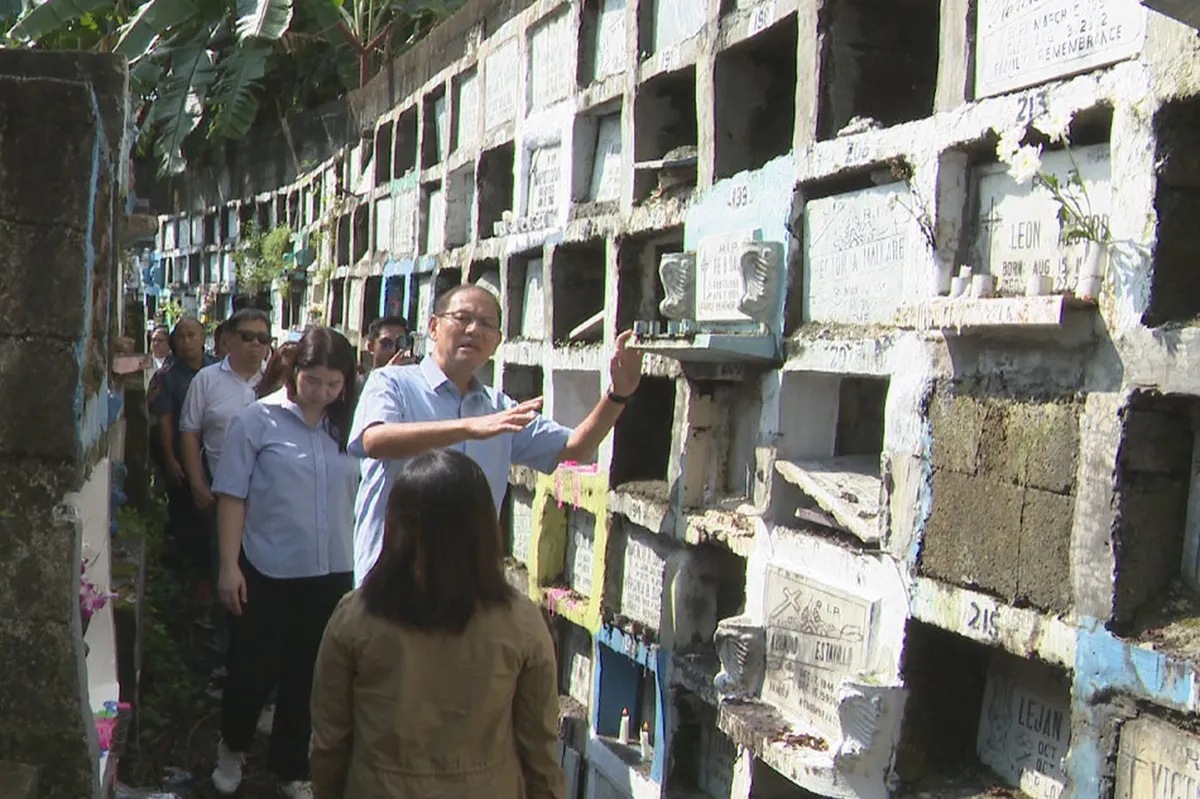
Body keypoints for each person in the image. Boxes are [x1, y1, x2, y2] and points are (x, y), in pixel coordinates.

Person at [310, 449, 564, 799]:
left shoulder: (356, 617)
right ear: (486, 529)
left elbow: (329, 741)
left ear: (396, 528)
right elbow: (540, 744)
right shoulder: (521, 622)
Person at [348, 284, 643, 585]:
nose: (474, 330)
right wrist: (470, 428)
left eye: (487, 324)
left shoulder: (499, 408)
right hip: (392, 585)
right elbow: (375, 440)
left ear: (497, 342)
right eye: (462, 318)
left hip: (469, 589)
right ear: (433, 327)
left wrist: (617, 394)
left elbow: (574, 448)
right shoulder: (392, 383)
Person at [209, 326, 360, 799]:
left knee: (308, 673)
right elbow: (232, 495)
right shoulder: (258, 421)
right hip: (267, 568)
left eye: (334, 384)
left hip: (331, 571)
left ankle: (291, 765)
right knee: (252, 668)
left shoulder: (351, 425)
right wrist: (228, 566)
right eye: (312, 380)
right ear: (293, 370)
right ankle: (231, 747)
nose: (322, 393)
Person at [180, 308, 271, 678]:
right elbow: (190, 432)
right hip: (222, 498)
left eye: (261, 339)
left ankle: (260, 663)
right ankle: (227, 656)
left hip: (268, 503)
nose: (253, 345)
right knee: (227, 576)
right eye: (246, 336)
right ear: (228, 339)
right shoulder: (207, 380)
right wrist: (197, 483)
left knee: (264, 583)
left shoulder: (278, 382)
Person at [147, 317, 217, 577]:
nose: (187, 342)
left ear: (202, 338)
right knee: (186, 518)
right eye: (181, 337)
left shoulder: (217, 369)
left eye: (192, 335)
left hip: (215, 456)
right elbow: (164, 421)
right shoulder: (168, 376)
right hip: (182, 456)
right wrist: (170, 460)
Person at [356, 315, 412, 394]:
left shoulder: (411, 386)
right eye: (386, 344)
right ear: (371, 347)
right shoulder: (358, 385)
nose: (393, 350)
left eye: (399, 344)